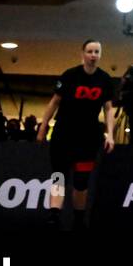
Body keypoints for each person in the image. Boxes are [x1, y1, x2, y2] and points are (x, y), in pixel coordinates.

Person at [36, 39, 116, 229]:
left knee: (81, 181)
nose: (93, 55)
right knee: (59, 176)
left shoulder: (104, 79)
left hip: (88, 137)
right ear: (83, 54)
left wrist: (110, 134)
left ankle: (79, 218)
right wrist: (43, 126)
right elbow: (54, 102)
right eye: (90, 51)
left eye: (97, 52)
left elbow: (108, 108)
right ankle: (54, 215)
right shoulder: (70, 75)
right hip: (63, 134)